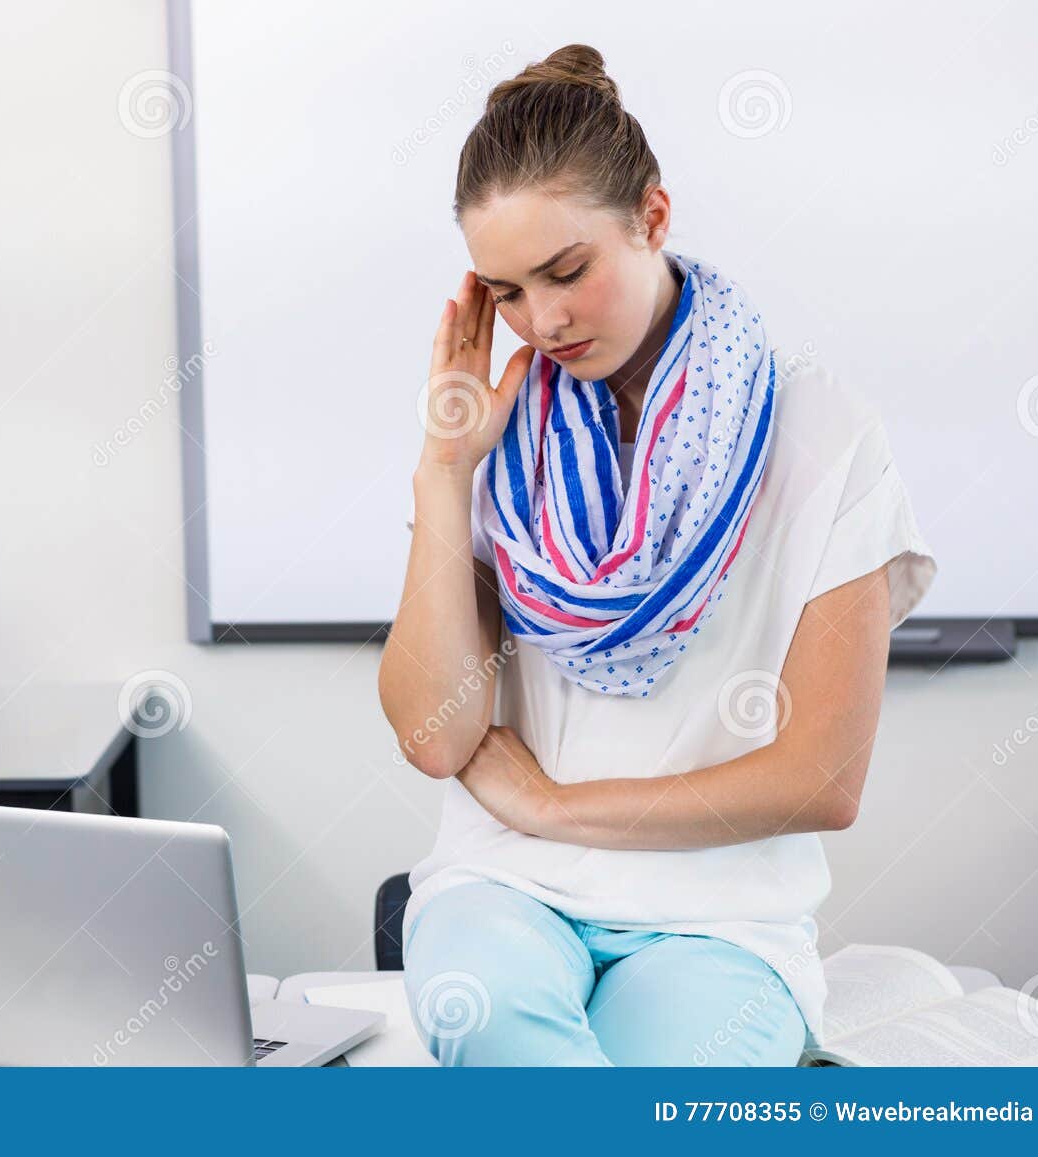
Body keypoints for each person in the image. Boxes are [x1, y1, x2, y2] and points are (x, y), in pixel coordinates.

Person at [377, 43, 937, 1067]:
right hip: (503, 884)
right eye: (504, 291)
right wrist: (443, 470)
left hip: (719, 921)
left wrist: (552, 804)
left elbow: (821, 777)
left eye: (567, 271)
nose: (539, 321)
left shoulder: (822, 429)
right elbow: (434, 733)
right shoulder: (503, 440)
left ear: (653, 217)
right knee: (488, 1013)